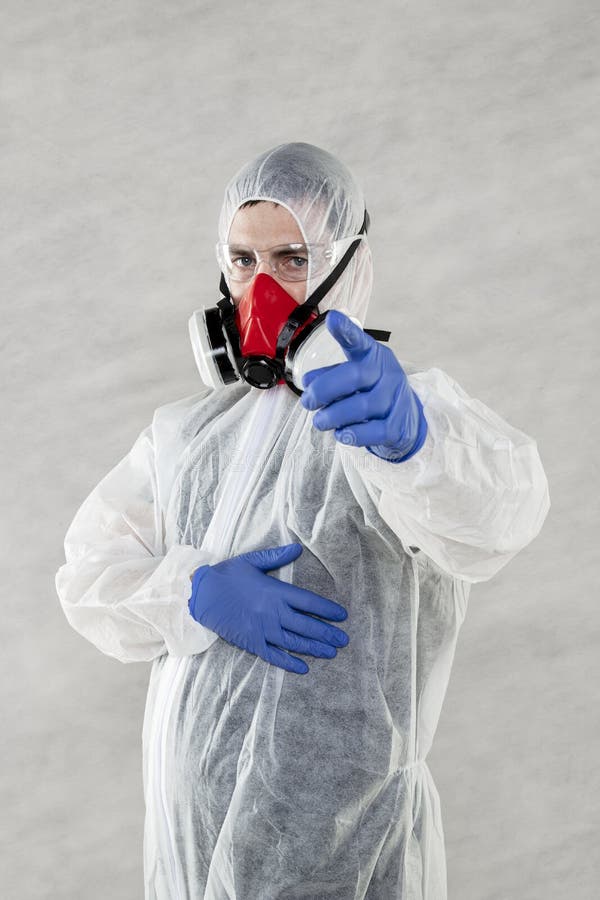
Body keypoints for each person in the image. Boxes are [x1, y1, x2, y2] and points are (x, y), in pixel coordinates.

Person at [56, 142, 550, 900]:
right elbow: (87, 574)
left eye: (291, 258)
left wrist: (415, 440)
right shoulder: (185, 436)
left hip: (349, 847)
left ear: (347, 267)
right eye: (242, 261)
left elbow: (502, 512)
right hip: (189, 843)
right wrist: (188, 593)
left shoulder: (393, 413)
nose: (261, 287)